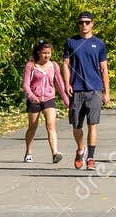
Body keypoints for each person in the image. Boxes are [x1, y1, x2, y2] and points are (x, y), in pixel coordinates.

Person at [61, 13, 109, 171]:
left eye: (87, 22)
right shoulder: (71, 42)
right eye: (81, 22)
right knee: (76, 126)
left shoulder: (99, 44)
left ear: (92, 24)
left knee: (92, 124)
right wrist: (67, 83)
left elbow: (104, 68)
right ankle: (80, 149)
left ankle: (91, 157)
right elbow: (66, 64)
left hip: (94, 89)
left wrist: (106, 91)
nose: (84, 25)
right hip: (76, 89)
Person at [22, 41, 69, 164]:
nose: (47, 56)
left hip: (49, 98)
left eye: (49, 53)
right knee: (32, 127)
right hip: (34, 100)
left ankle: (55, 153)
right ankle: (28, 152)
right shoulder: (31, 66)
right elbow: (26, 85)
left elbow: (59, 84)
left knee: (51, 125)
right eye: (44, 53)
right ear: (39, 53)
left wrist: (67, 101)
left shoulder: (53, 66)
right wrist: (32, 96)